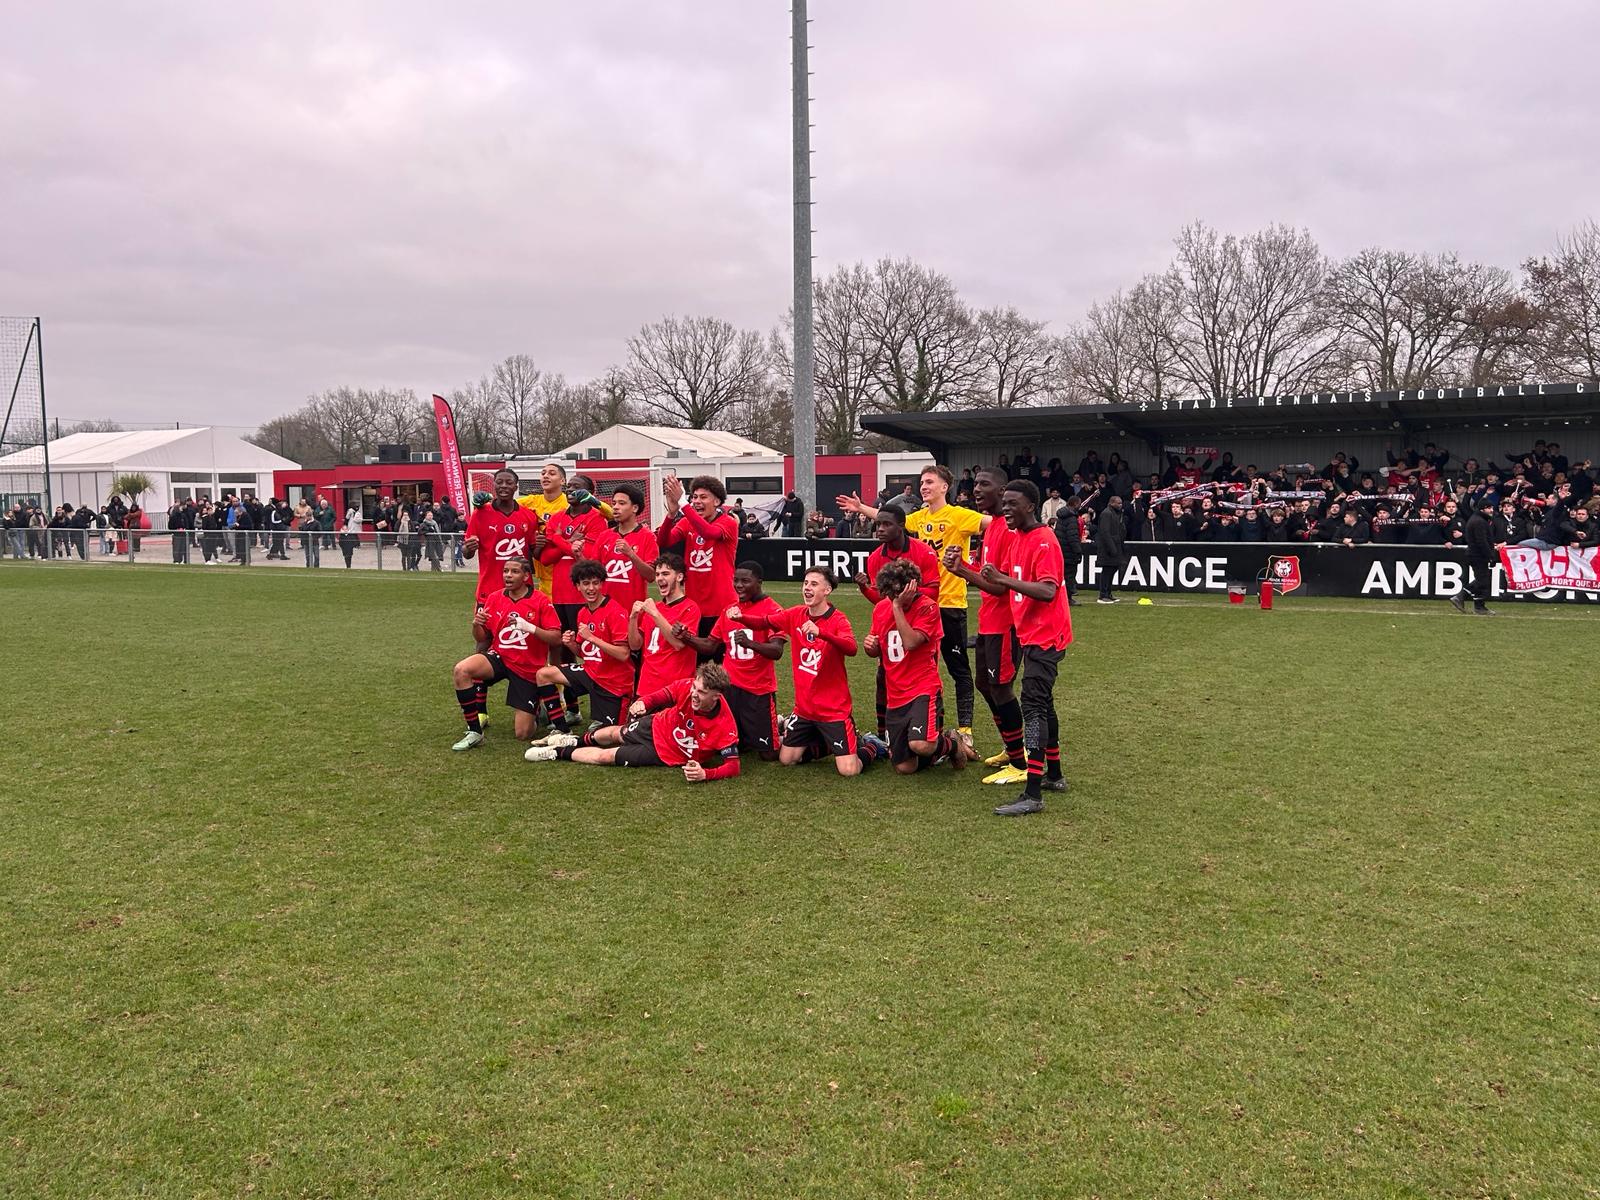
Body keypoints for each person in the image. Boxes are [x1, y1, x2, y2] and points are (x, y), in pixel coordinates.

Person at [838, 464, 981, 751]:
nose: (924, 487)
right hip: (907, 611)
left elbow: (995, 523)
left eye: (929, 482)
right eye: (922, 483)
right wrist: (861, 507)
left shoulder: (960, 515)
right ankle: (890, 732)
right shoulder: (916, 519)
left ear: (945, 487)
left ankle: (964, 729)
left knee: (956, 668)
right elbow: (888, 521)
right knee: (895, 667)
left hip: (948, 602)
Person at [969, 479, 1071, 816]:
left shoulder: (1044, 540)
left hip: (1047, 636)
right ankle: (1053, 775)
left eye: (1013, 504)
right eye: (1005, 504)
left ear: (1030, 506)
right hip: (1030, 634)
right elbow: (1004, 588)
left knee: (1033, 706)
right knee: (1044, 704)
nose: (1007, 510)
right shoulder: (1018, 540)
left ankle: (1033, 793)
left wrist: (1003, 579)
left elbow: (1047, 591)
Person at [726, 566, 885, 776]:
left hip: (833, 711)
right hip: (804, 711)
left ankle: (871, 746)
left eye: (814, 584)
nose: (807, 588)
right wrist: (741, 619)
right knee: (786, 759)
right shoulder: (796, 614)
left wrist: (822, 633)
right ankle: (830, 745)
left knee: (849, 771)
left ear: (827, 590)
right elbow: (765, 621)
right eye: (806, 583)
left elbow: (851, 648)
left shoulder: (838, 619)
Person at [943, 466, 1030, 786]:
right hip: (989, 623)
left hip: (1006, 623)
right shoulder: (992, 526)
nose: (976, 489)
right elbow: (985, 569)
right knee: (984, 683)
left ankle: (1020, 761)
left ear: (1003, 490)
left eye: (984, 484)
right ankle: (1011, 747)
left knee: (1001, 687)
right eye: (975, 483)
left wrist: (962, 572)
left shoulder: (1008, 529)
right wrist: (962, 563)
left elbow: (1000, 586)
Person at [524, 663, 742, 782]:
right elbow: (660, 697)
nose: (693, 693)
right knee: (613, 734)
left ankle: (555, 753)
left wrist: (706, 774)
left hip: (663, 754)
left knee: (605, 756)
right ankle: (573, 740)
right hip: (656, 725)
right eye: (694, 687)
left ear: (717, 696)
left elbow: (733, 766)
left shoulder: (725, 725)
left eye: (701, 692)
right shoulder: (687, 686)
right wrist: (643, 704)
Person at [864, 559, 968, 774]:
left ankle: (953, 745)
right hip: (895, 692)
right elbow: (877, 650)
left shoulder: (928, 607)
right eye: (890, 594)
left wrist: (897, 608)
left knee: (920, 744)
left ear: (912, 586)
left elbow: (911, 642)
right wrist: (870, 646)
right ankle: (944, 744)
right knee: (905, 767)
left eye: (897, 593)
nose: (894, 597)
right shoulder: (882, 608)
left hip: (922, 688)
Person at [450, 557, 564, 751]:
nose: (508, 575)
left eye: (514, 571)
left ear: (526, 576)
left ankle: (537, 709)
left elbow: (556, 638)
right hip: (500, 657)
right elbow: (481, 638)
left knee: (523, 734)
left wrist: (530, 628)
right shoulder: (495, 598)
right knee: (461, 670)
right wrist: (476, 623)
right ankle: (474, 731)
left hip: (528, 667)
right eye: (506, 571)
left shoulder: (540, 600)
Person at [849, 506, 940, 737]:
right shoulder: (874, 558)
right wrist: (864, 588)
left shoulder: (924, 552)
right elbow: (880, 599)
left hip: (920, 619)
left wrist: (906, 598)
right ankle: (884, 734)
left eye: (886, 524)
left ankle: (933, 730)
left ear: (901, 526)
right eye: (878, 524)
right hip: (891, 622)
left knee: (924, 677)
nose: (880, 529)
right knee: (885, 676)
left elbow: (933, 591)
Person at [463, 469, 542, 719]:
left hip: (523, 594)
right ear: (494, 485)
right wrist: (467, 548)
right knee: (483, 645)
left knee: (528, 645)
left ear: (516, 486)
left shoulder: (528, 516)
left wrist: (540, 547)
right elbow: (467, 551)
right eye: (500, 482)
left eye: (509, 482)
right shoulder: (481, 514)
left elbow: (532, 555)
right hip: (489, 592)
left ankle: (535, 700)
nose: (504, 486)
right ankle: (480, 709)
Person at [524, 558, 635, 733]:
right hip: (591, 672)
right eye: (585, 584)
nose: (591, 588)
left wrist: (592, 638)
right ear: (578, 586)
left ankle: (612, 713)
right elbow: (588, 655)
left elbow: (623, 654)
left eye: (595, 583)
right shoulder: (583, 613)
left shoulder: (616, 612)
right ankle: (562, 731)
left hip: (614, 682)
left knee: (611, 735)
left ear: (602, 584)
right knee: (544, 674)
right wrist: (571, 645)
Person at [539, 474, 614, 722]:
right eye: (569, 486)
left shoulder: (596, 519)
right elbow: (547, 557)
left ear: (589, 492)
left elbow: (589, 556)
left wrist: (559, 539)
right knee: (562, 650)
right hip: (559, 594)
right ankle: (572, 710)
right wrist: (567, 544)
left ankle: (602, 709)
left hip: (583, 597)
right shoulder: (559, 516)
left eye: (577, 487)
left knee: (590, 652)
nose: (571, 490)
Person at [699, 561, 786, 759]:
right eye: (736, 580)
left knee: (769, 754)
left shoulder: (773, 610)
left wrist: (751, 644)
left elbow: (776, 651)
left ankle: (785, 727)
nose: (739, 585)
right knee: (734, 747)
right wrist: (685, 637)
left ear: (759, 582)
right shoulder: (729, 610)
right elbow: (711, 645)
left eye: (745, 581)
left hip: (758, 690)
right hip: (730, 689)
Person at [657, 473, 739, 640]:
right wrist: (671, 515)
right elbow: (664, 541)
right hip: (694, 606)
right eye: (694, 497)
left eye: (703, 497)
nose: (696, 501)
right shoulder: (688, 522)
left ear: (717, 502)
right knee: (695, 661)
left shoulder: (728, 522)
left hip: (722, 605)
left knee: (719, 662)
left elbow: (708, 532)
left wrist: (682, 504)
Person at [630, 554, 701, 697]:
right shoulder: (655, 607)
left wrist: (655, 614)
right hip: (646, 685)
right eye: (657, 574)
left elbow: (678, 644)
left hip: (674, 688)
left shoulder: (690, 608)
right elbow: (635, 645)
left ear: (679, 577)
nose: (659, 578)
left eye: (665, 574)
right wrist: (633, 618)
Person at [598, 482, 658, 611]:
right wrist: (579, 555)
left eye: (622, 503)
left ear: (635, 508)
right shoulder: (604, 536)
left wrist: (631, 554)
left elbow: (651, 576)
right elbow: (593, 572)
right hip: (605, 610)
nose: (615, 507)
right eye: (614, 503)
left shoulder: (648, 537)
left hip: (633, 611)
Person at [1450, 495, 1497, 616]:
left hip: (1476, 554)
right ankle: (1461, 596)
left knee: (1483, 580)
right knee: (1482, 580)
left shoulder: (1477, 519)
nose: (1491, 510)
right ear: (1482, 509)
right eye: (1489, 508)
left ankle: (1479, 606)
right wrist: (1490, 555)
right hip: (1477, 555)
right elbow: (1481, 541)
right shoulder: (1479, 521)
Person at [1093, 494, 1128, 603]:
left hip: (1115, 546)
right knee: (1107, 571)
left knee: (1112, 570)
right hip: (1107, 549)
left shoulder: (1116, 514)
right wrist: (1112, 548)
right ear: (1112, 503)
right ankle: (1103, 595)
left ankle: (1108, 593)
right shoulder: (1106, 514)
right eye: (1118, 503)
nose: (1120, 505)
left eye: (1121, 503)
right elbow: (1105, 532)